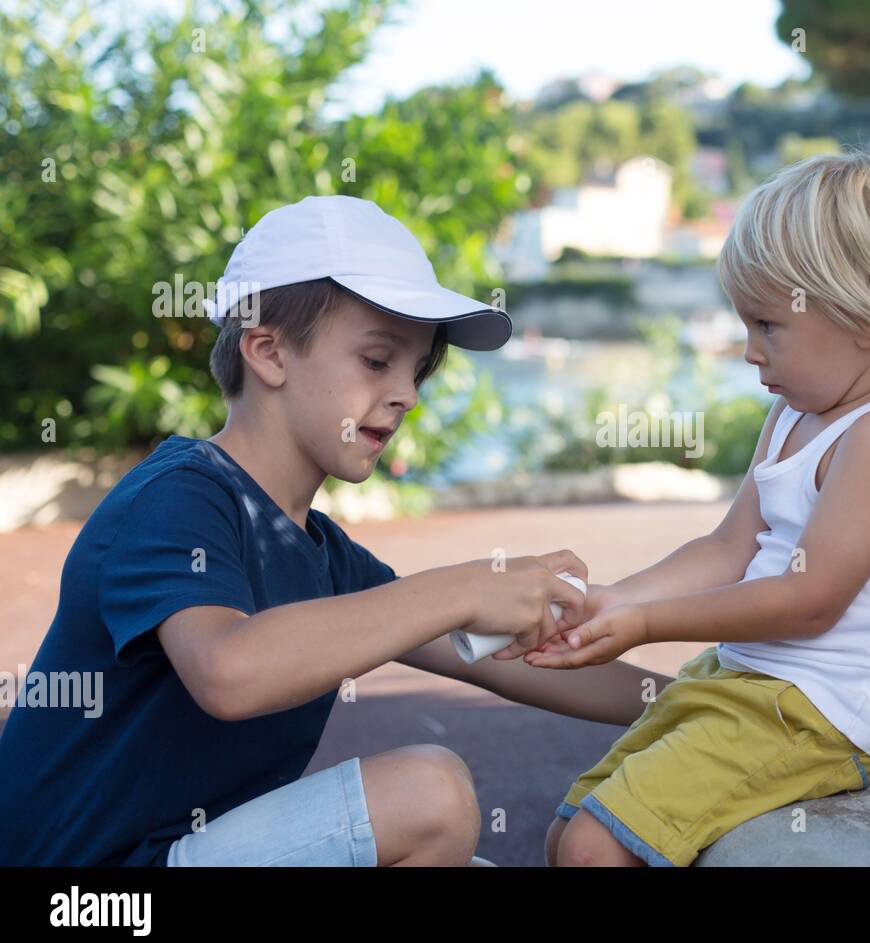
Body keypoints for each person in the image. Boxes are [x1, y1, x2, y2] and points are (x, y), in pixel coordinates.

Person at [0, 196, 670, 866]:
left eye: (419, 369)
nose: (407, 393)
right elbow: (229, 672)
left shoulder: (324, 556)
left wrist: (701, 702)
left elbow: (511, 657)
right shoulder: (177, 496)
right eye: (378, 361)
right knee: (427, 796)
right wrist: (465, 588)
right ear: (266, 350)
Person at [526, 152, 870, 867]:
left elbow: (810, 601)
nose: (748, 352)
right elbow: (728, 547)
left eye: (768, 326)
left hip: (819, 715)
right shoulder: (795, 414)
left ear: (866, 312)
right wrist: (612, 599)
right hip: (742, 682)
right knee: (565, 831)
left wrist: (643, 625)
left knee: (591, 850)